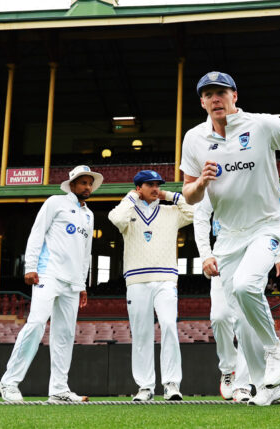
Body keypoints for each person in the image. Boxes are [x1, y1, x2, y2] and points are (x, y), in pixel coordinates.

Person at [180, 71, 280, 407]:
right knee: (240, 317)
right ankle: (266, 386)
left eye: (221, 93)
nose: (216, 99)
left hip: (266, 226)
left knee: (245, 287)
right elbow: (189, 195)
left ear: (234, 96)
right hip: (227, 237)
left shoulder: (263, 125)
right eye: (208, 94)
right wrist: (200, 184)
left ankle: (276, 350)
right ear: (201, 102)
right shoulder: (194, 139)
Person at [0, 165, 100, 403]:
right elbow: (37, 233)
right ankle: (9, 382)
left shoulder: (89, 214)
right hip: (48, 274)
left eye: (89, 183)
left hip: (72, 282)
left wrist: (83, 284)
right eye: (82, 182)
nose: (87, 187)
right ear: (72, 185)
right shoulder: (55, 202)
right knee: (35, 325)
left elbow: (86, 253)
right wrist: (30, 267)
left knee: (64, 335)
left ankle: (59, 390)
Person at [108, 169, 195, 401]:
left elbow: (195, 211)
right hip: (137, 280)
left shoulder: (170, 212)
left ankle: (171, 384)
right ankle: (145, 387)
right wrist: (131, 198)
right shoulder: (128, 212)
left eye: (158, 184)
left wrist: (169, 195)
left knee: (168, 326)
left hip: (166, 278)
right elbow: (115, 219)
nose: (156, 188)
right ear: (139, 188)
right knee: (141, 333)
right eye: (150, 185)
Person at [193, 194, 280, 404]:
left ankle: (247, 385)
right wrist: (205, 255)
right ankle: (229, 370)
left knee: (244, 320)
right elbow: (200, 215)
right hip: (223, 253)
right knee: (219, 317)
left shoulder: (259, 172)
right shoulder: (215, 179)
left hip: (254, 250)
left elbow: (276, 213)